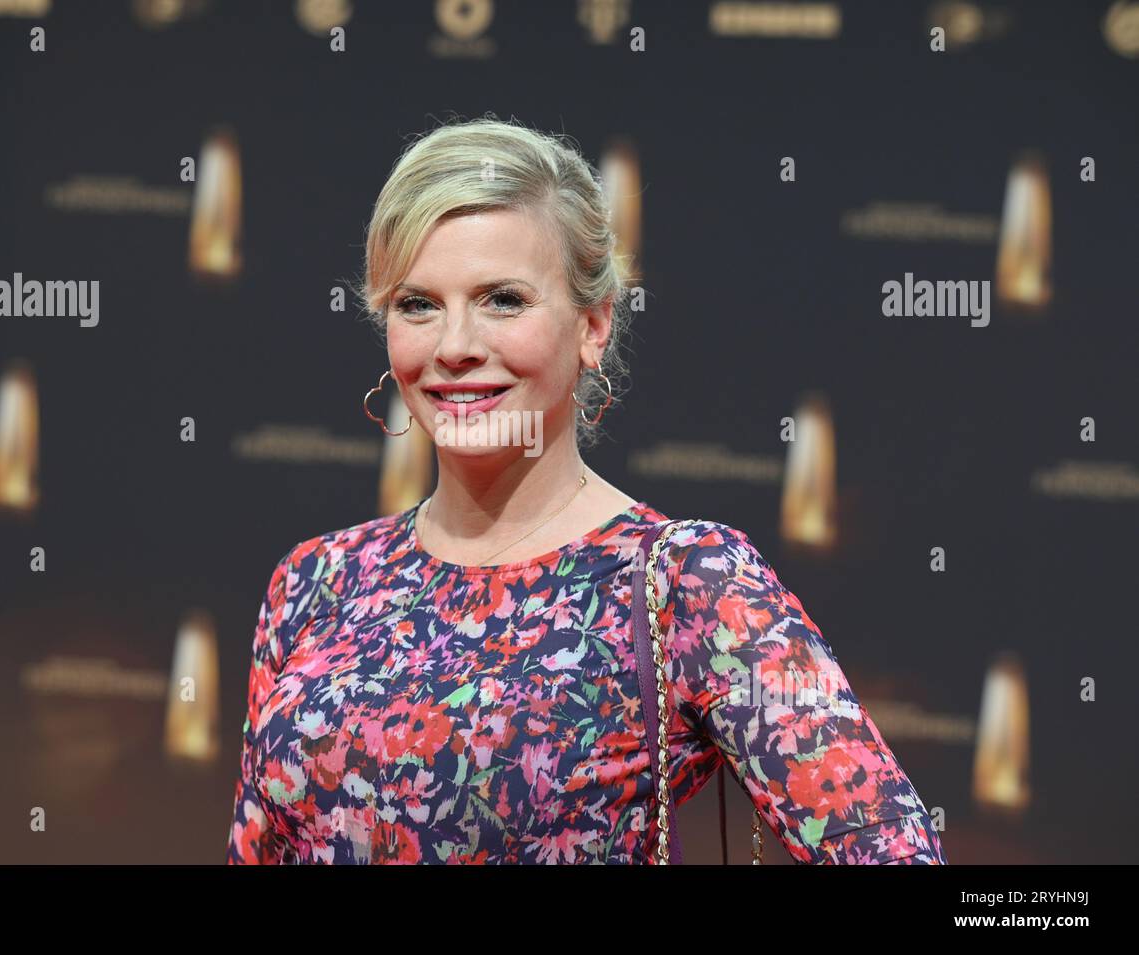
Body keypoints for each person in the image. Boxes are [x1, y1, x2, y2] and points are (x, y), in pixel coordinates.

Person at [226, 115, 947, 865]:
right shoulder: (316, 580)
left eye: (502, 299)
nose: (454, 345)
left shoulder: (683, 581)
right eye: (418, 304)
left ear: (593, 325)